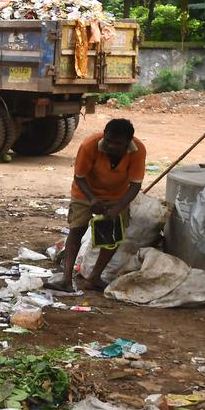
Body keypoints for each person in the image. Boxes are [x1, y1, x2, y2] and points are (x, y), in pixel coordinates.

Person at [58, 118, 146, 290]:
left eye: (118, 143)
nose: (111, 146)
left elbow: (135, 184)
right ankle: (66, 280)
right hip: (85, 192)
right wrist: (92, 199)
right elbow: (80, 177)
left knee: (111, 238)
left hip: (116, 195)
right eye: (108, 141)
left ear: (128, 142)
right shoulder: (89, 145)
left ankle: (94, 277)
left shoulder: (138, 150)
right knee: (76, 230)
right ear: (104, 135)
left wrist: (118, 208)